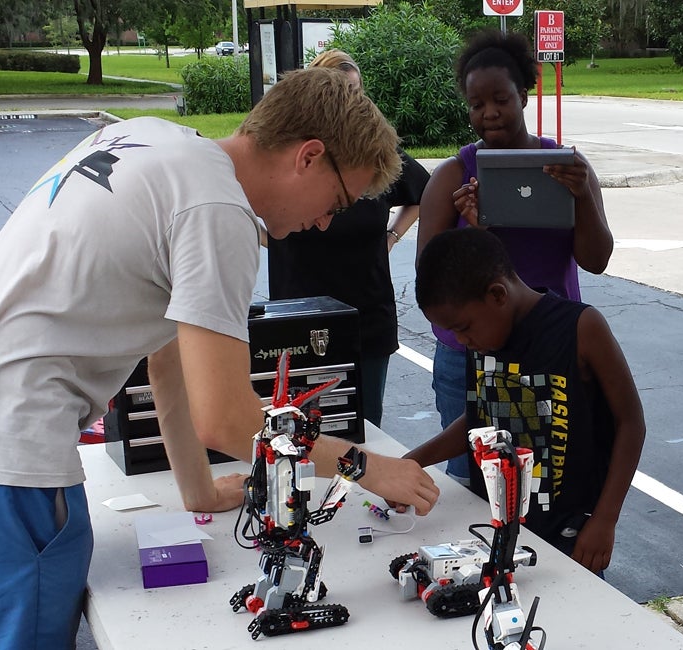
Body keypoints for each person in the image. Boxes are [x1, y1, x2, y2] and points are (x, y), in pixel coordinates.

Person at [0, 67, 440, 649]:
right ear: (307, 157)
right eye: (339, 199)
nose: (327, 221)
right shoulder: (217, 210)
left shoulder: (153, 140)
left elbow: (167, 359)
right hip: (5, 456)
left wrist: (198, 492)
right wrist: (370, 467)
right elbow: (227, 419)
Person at [416, 29, 613, 485]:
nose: (489, 113)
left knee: (548, 478)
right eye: (476, 103)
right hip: (467, 354)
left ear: (524, 95)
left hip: (552, 349)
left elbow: (596, 259)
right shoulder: (452, 176)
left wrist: (581, 196)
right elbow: (432, 275)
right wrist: (476, 231)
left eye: (500, 99)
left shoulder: (566, 167)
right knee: (470, 480)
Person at [406, 228, 645, 573]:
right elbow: (479, 422)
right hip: (492, 526)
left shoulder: (580, 328)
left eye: (464, 328)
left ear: (497, 294)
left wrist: (605, 519)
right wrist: (412, 462)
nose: (461, 340)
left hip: (570, 534)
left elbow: (631, 422)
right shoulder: (484, 338)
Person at [266, 49, 430, 427]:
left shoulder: (376, 152)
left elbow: (426, 191)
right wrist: (265, 236)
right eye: (339, 92)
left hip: (366, 314)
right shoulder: (292, 154)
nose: (349, 103)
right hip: (300, 313)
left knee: (364, 426)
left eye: (355, 92)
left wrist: (393, 235)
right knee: (298, 427)